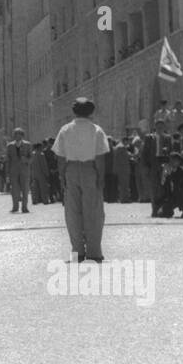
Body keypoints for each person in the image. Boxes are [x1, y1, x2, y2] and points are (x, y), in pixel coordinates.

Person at [52, 98, 110, 263]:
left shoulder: (65, 130)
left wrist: (62, 176)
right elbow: (100, 157)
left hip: (71, 169)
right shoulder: (96, 130)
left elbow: (60, 158)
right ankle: (94, 251)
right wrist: (100, 178)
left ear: (74, 111)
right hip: (90, 169)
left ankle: (77, 251)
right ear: (90, 112)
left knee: (72, 212)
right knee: (93, 211)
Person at [6, 128, 30, 213]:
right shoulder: (10, 146)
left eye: (19, 134)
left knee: (25, 189)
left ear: (22, 135)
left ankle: (24, 207)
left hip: (24, 170)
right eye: (16, 134)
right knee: (14, 190)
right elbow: (8, 160)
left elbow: (31, 158)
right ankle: (15, 207)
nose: (17, 136)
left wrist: (26, 159)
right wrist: (7, 173)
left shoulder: (27, 145)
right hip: (13, 171)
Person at [30, 136, 50, 204]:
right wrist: (47, 173)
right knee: (43, 188)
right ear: (39, 147)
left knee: (35, 188)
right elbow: (43, 165)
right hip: (41, 173)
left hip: (33, 173)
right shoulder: (41, 154)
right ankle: (45, 200)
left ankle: (35, 200)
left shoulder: (32, 154)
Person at [112, 136, 131, 202]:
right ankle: (124, 199)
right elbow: (124, 158)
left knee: (122, 184)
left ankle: (122, 198)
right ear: (125, 141)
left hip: (120, 168)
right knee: (124, 184)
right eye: (128, 141)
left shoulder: (117, 147)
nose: (128, 143)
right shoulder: (121, 147)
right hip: (123, 168)